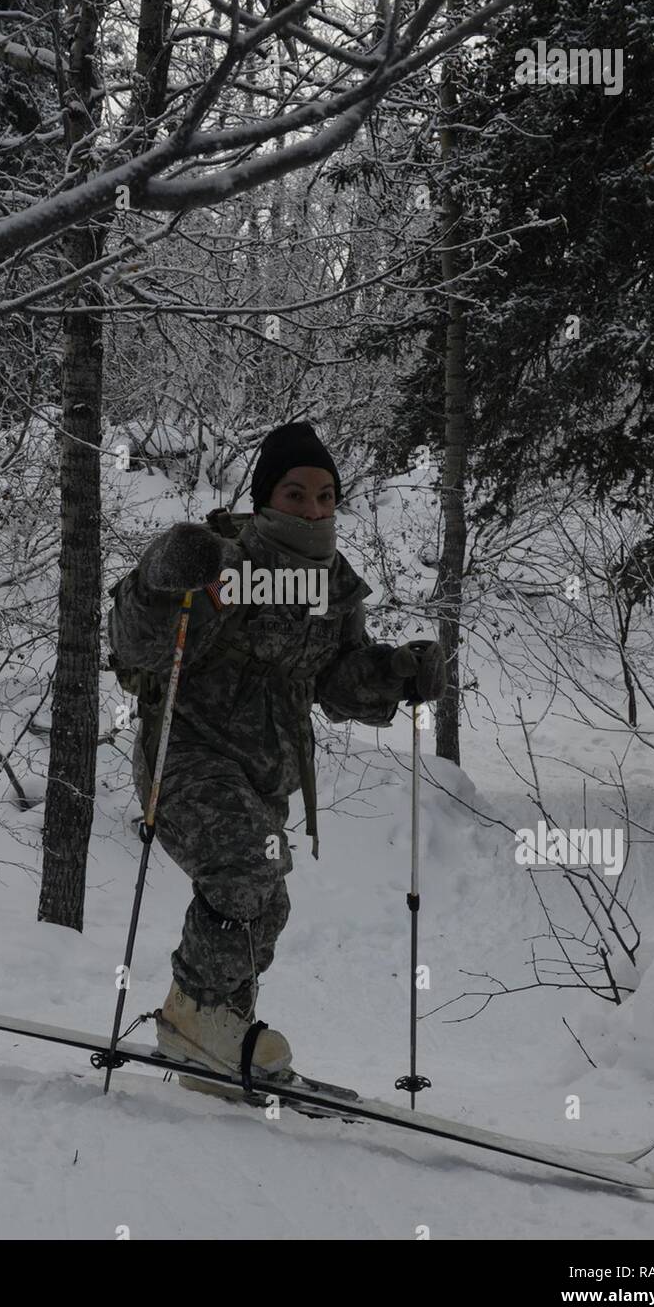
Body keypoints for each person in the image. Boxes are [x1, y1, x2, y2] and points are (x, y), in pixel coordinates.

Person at [109, 422, 446, 1088]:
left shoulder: (334, 586)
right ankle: (192, 1016)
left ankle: (219, 1048)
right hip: (185, 760)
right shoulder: (221, 563)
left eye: (325, 496)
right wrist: (155, 578)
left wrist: (397, 674)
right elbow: (135, 646)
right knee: (241, 863)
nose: (313, 509)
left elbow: (337, 679)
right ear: (266, 497)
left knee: (266, 905)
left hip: (264, 776)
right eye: (295, 494)